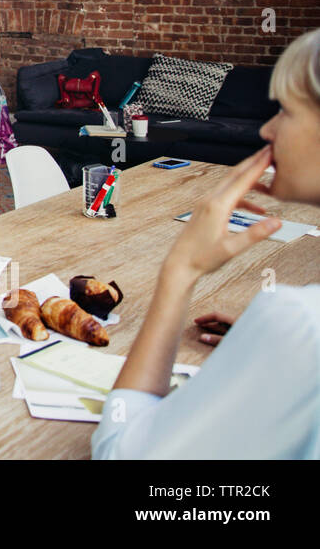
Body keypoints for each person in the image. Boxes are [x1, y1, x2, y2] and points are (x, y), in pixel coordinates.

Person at [91, 28, 320, 459]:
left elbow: (123, 453)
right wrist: (270, 345)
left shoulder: (302, 324)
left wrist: (181, 270)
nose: (267, 129)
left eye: (287, 110)